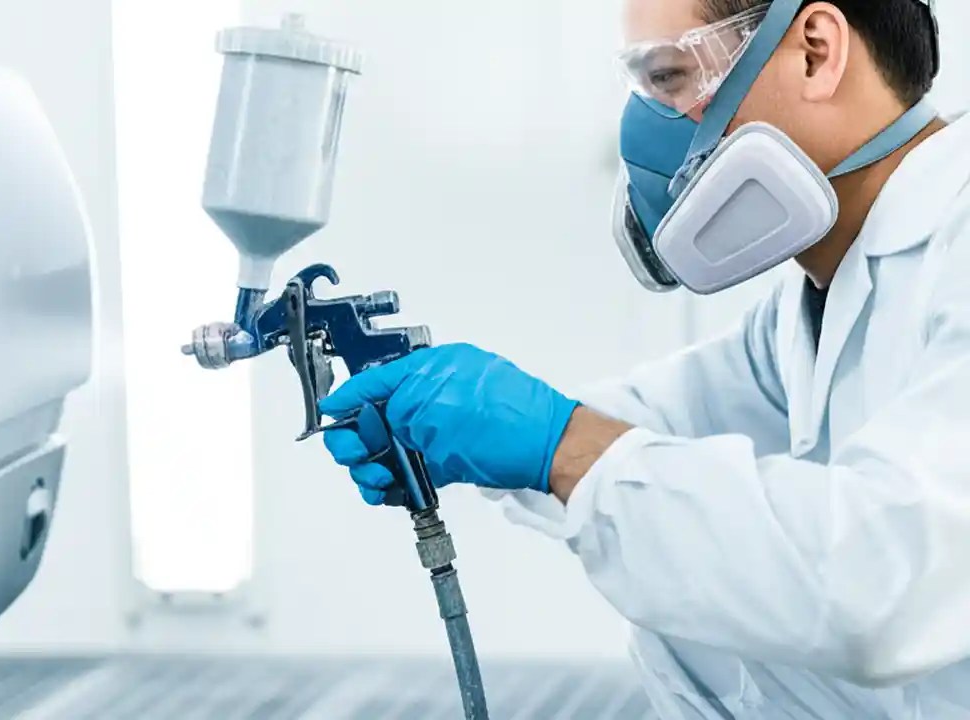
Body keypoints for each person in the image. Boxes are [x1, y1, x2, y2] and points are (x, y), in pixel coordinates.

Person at [318, 1, 968, 717]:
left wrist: (555, 442)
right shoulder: (807, 304)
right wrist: (472, 429)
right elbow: (654, 427)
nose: (646, 131)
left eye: (669, 78)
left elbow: (883, 585)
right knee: (692, 576)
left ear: (815, 52)